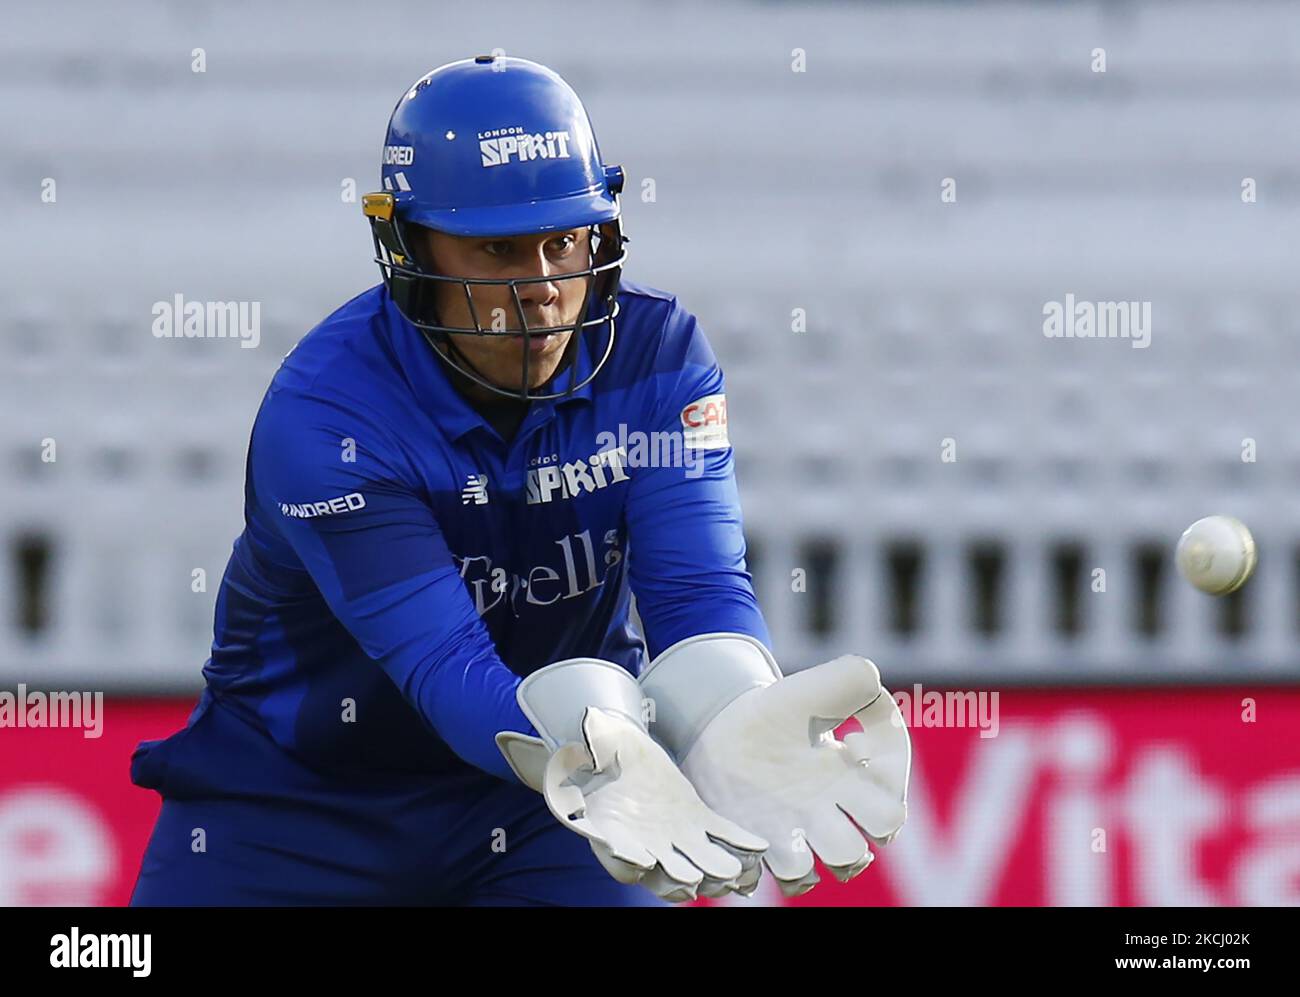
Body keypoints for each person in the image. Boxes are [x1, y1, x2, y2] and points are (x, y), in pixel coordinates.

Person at [128, 55, 910, 907]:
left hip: (563, 793)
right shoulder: (327, 414)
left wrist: (736, 711)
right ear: (405, 246)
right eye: (497, 246)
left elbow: (696, 592)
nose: (540, 287)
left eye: (563, 240)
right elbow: (446, 669)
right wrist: (582, 741)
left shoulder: (659, 356)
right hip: (293, 803)